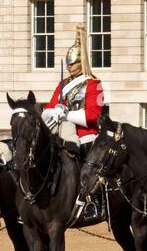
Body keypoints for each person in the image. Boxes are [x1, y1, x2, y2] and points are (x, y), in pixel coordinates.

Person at [44, 27, 104, 158]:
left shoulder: (93, 83)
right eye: (67, 63)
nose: (69, 66)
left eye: (73, 63)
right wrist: (54, 112)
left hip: (85, 137)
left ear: (82, 62)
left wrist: (66, 114)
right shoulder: (63, 84)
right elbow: (49, 106)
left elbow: (93, 115)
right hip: (62, 136)